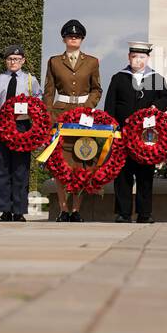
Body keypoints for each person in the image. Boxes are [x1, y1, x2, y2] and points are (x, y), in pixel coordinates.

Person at [104, 41, 167, 223]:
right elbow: (110, 104)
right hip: (123, 134)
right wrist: (112, 128)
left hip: (146, 136)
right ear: (129, 57)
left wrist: (155, 107)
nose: (138, 60)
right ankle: (123, 213)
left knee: (145, 174)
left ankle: (145, 213)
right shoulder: (119, 77)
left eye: (142, 57)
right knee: (123, 174)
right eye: (135, 57)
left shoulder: (155, 78)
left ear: (148, 58)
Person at [43, 19, 102, 222]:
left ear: (82, 39)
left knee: (82, 161)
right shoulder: (54, 61)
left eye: (77, 36)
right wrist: (49, 116)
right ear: (64, 39)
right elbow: (49, 92)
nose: (73, 39)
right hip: (61, 113)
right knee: (60, 163)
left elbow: (96, 89)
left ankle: (76, 209)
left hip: (84, 116)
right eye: (70, 36)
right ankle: (63, 209)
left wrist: (88, 108)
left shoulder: (92, 61)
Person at [0, 45, 43, 222]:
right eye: (10, 59)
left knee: (20, 169)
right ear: (6, 61)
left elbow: (38, 101)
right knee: (2, 169)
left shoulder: (30, 80)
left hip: (21, 127)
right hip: (2, 127)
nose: (13, 62)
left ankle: (18, 210)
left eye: (17, 59)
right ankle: (5, 210)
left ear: (23, 61)